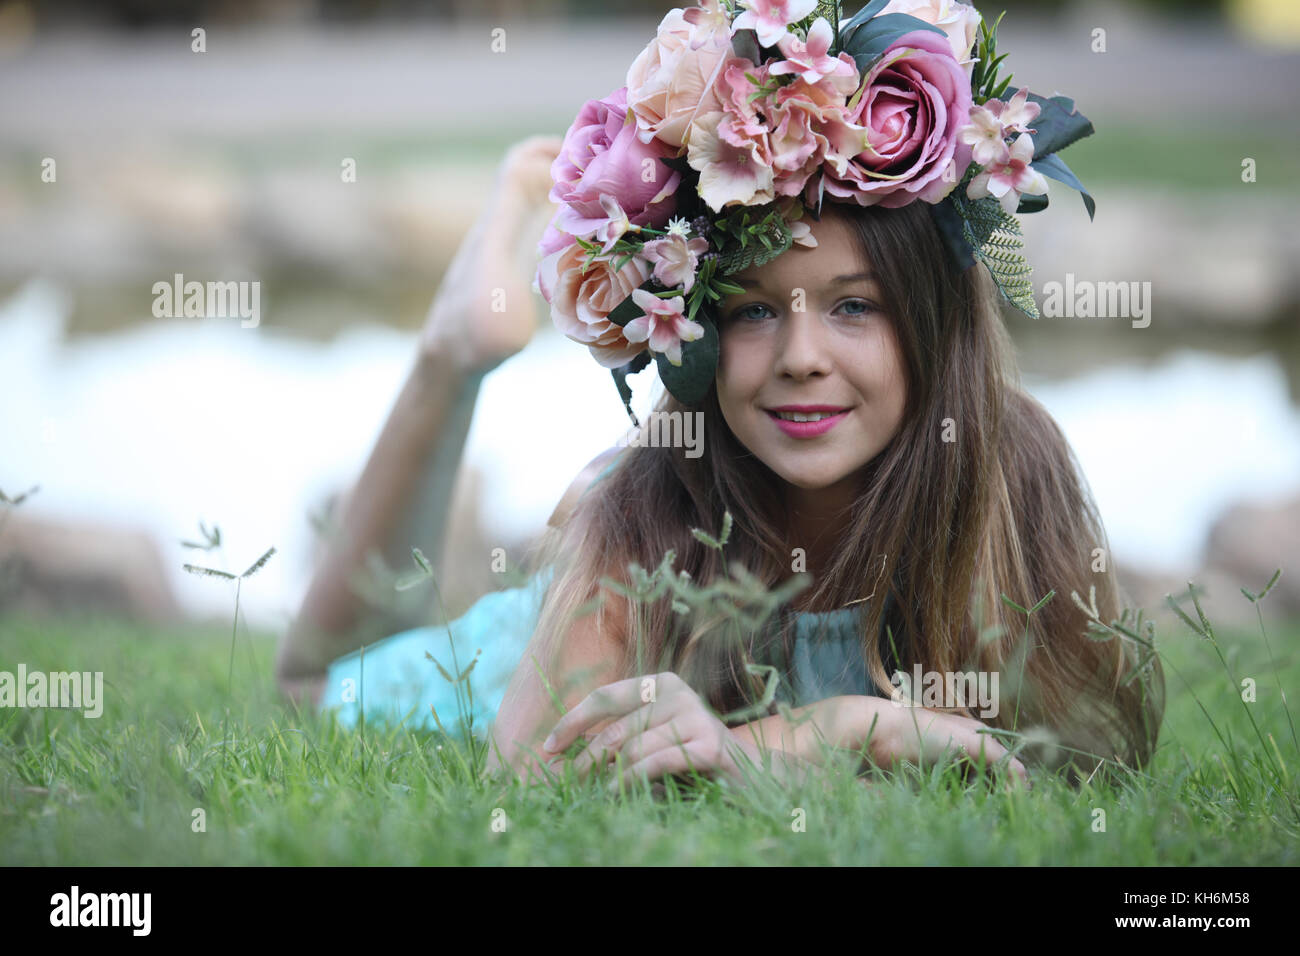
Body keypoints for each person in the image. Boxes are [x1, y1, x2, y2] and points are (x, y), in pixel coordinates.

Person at [276, 1, 1165, 794]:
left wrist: (812, 733)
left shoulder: (1011, 469)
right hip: (532, 639)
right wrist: (852, 732)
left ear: (934, 320)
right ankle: (451, 355)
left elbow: (1083, 751)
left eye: (854, 307)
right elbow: (526, 774)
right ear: (694, 330)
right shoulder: (644, 503)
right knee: (312, 684)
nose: (800, 358)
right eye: (751, 312)